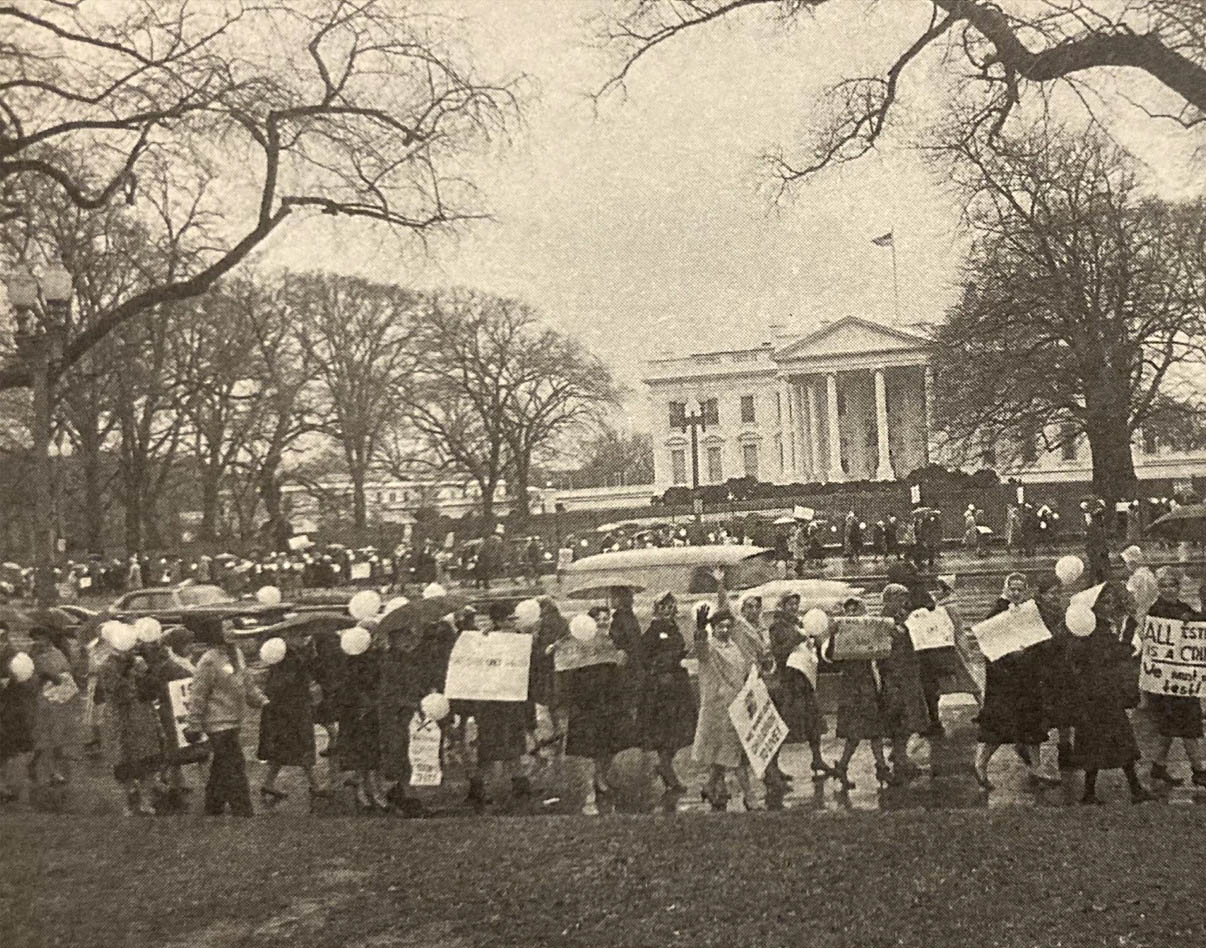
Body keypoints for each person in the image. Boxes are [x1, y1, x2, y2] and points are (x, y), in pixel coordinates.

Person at [972, 574, 1061, 790]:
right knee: (999, 727)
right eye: (1013, 588)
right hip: (1006, 683)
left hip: (1025, 680)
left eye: (1021, 589)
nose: (1016, 593)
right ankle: (980, 764)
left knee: (1031, 724)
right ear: (1006, 588)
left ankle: (1037, 768)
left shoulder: (1026, 610)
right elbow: (989, 645)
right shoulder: (998, 611)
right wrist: (1012, 654)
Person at [1070, 582, 1154, 805]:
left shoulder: (1087, 630)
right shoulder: (1097, 631)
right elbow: (1115, 655)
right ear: (1095, 607)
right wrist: (1129, 635)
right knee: (1120, 741)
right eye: (1105, 603)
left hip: (1093, 696)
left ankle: (1094, 792)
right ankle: (1133, 789)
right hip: (1103, 696)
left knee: (1094, 744)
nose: (1110, 606)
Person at [183, 618, 268, 817]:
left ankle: (213, 807)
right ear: (217, 633)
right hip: (217, 724)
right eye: (227, 628)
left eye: (233, 627)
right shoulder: (209, 660)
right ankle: (243, 810)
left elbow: (247, 683)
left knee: (221, 767)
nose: (232, 632)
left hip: (234, 721)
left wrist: (262, 701)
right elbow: (199, 694)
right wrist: (194, 723)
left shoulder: (237, 654)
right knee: (234, 766)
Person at [554, 605, 626, 807]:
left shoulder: (613, 641)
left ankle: (600, 776)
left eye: (606, 618)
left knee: (611, 743)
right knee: (590, 745)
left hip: (609, 698)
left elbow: (621, 667)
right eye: (599, 619)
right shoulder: (578, 642)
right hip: (587, 701)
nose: (604, 622)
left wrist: (621, 660)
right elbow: (562, 659)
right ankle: (593, 783)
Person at [692, 588, 758, 811]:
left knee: (724, 752)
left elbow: (743, 668)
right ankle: (750, 797)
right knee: (734, 755)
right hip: (718, 707)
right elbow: (700, 650)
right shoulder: (710, 647)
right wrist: (700, 630)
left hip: (736, 705)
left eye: (728, 626)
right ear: (713, 628)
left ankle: (710, 785)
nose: (726, 629)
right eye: (721, 626)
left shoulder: (734, 646)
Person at [464, 601, 533, 809]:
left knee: (514, 745)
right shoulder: (484, 640)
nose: (513, 623)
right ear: (499, 621)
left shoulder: (519, 638)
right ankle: (478, 788)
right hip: (491, 704)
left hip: (512, 702)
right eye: (509, 619)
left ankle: (520, 786)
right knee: (489, 748)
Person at [1144, 566, 1206, 788]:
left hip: (1183, 681)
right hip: (1167, 683)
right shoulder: (1156, 611)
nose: (1168, 589)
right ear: (1158, 588)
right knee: (1187, 727)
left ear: (1178, 587)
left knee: (1169, 729)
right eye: (1164, 585)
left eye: (1172, 585)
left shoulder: (1184, 608)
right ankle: (1199, 771)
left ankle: (1158, 767)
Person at [766, 592, 837, 785]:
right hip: (789, 681)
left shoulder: (798, 624)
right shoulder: (777, 626)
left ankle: (817, 758)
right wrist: (795, 641)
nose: (794, 607)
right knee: (785, 725)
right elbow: (778, 653)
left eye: (796, 603)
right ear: (782, 605)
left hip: (803, 680)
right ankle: (771, 766)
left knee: (813, 721)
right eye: (790, 604)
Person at [829, 597, 897, 790]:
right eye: (848, 610)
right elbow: (834, 659)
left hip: (866, 685)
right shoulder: (841, 635)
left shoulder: (870, 632)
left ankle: (878, 767)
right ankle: (851, 767)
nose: (852, 614)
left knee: (873, 730)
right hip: (852, 688)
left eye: (855, 610)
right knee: (856, 733)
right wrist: (834, 636)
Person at [635, 592, 695, 792]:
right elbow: (644, 657)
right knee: (664, 731)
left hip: (676, 685)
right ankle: (667, 769)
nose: (668, 610)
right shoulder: (654, 631)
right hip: (661, 688)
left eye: (670, 606)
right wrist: (662, 664)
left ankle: (666, 765)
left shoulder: (673, 628)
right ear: (656, 609)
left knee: (679, 730)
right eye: (663, 607)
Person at [257, 635, 327, 806]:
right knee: (303, 747)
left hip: (281, 713)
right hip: (295, 712)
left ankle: (268, 784)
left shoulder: (279, 660)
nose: (302, 638)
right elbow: (299, 683)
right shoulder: (293, 661)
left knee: (282, 751)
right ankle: (315, 786)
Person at [98, 638, 165, 816]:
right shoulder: (107, 666)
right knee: (124, 760)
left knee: (147, 758)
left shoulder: (139, 662)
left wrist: (144, 674)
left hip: (140, 715)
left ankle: (145, 800)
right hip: (120, 718)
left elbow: (152, 686)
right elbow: (116, 692)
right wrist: (130, 675)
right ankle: (129, 800)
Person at [28, 623, 81, 788]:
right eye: (35, 639)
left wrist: (61, 678)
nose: (38, 642)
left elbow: (66, 672)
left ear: (48, 638)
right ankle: (49, 771)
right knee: (45, 737)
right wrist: (46, 676)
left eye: (41, 638)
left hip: (59, 700)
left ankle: (48, 769)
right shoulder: (33, 656)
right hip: (43, 700)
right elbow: (32, 677)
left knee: (55, 737)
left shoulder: (56, 653)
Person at [0, 623, 36, 803]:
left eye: (2, 637)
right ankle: (4, 787)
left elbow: (26, 682)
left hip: (11, 709)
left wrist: (13, 682)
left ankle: (9, 784)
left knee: (13, 748)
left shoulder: (15, 656)